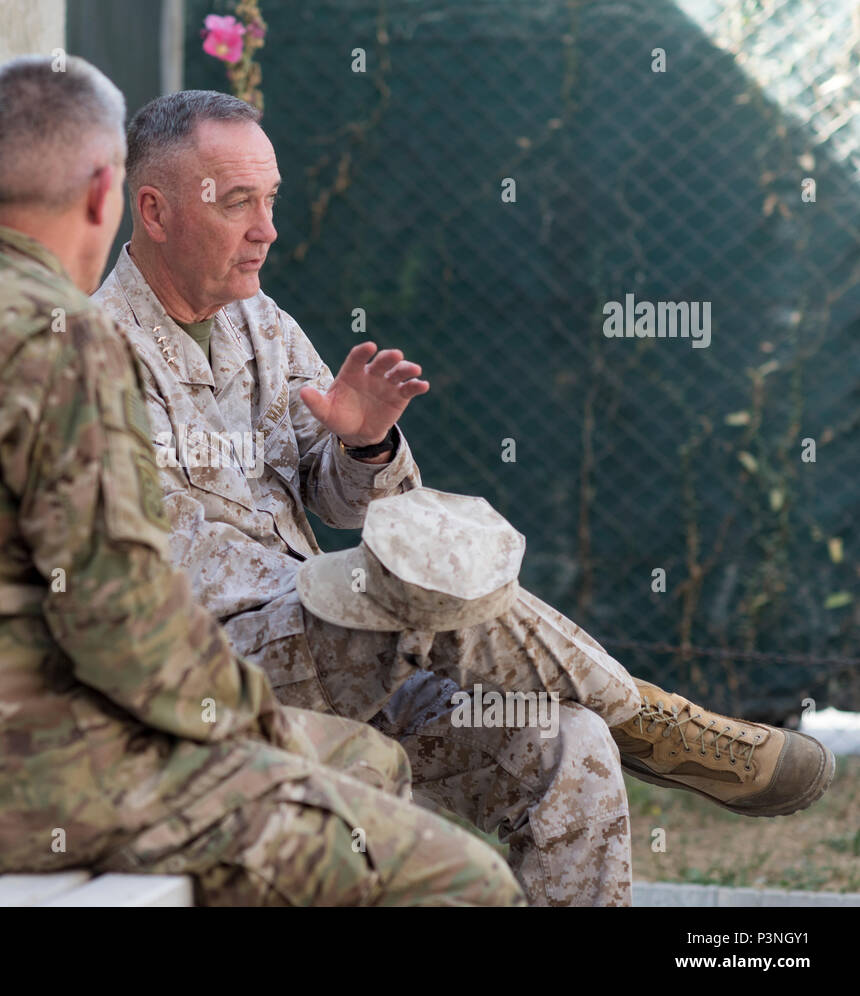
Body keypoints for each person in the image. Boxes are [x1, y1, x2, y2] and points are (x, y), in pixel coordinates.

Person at [0, 56, 524, 907]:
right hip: (51, 785)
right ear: (104, 194)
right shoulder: (76, 341)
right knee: (469, 880)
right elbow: (124, 623)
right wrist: (262, 731)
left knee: (366, 761)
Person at [91, 89, 837, 906]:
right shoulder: (92, 361)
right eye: (237, 204)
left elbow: (347, 503)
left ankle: (620, 721)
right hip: (221, 672)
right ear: (154, 212)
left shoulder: (258, 324)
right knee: (409, 589)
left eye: (271, 200)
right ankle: (652, 720)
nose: (267, 229)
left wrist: (365, 441)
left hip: (341, 651)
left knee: (568, 743)